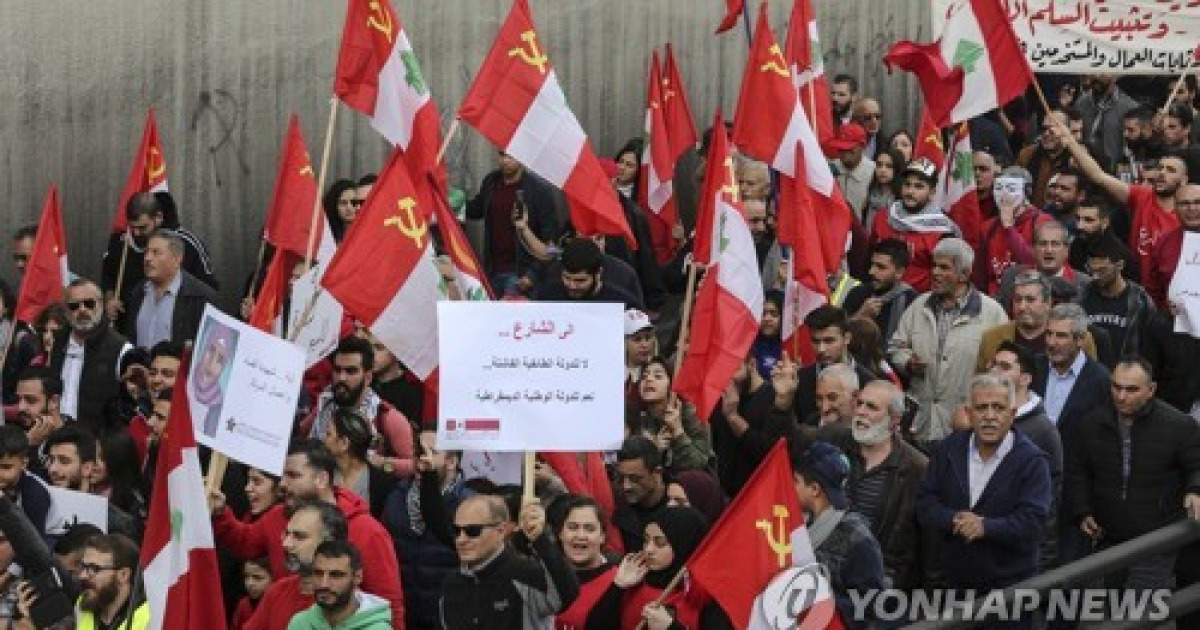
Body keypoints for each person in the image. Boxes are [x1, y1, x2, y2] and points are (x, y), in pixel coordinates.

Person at [209, 439, 406, 629]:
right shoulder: (278, 516)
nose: (283, 484)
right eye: (283, 476)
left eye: (293, 476)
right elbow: (246, 543)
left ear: (321, 479)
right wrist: (220, 513)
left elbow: (389, 607)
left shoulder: (368, 532)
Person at [1066, 359, 1200, 598]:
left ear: (1151, 390)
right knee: (1113, 606)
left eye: (1131, 389)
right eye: (1116, 387)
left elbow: (1196, 464)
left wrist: (1195, 490)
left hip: (1156, 539)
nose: (1121, 396)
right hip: (1110, 537)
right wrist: (1082, 510)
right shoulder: (1092, 423)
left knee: (1138, 609)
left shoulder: (1178, 426)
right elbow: (1078, 472)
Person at [916, 374, 1052, 592]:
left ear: (1012, 414)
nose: (990, 416)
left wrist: (986, 527)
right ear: (969, 414)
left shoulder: (1033, 461)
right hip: (953, 584)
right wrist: (955, 520)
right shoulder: (948, 450)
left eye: (998, 408)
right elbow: (925, 503)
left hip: (1010, 589)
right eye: (982, 408)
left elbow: (1033, 521)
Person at [889, 238, 1009, 449]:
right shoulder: (918, 306)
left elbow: (1004, 368)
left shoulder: (992, 314)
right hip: (919, 427)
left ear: (965, 273)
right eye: (934, 265)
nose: (935, 272)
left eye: (944, 267)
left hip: (965, 428)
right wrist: (907, 363)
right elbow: (895, 347)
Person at [1055, 121, 1187, 289]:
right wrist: (1070, 141)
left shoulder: (1189, 215)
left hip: (1172, 296)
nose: (1162, 173)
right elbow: (1098, 176)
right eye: (1161, 168)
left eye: (1171, 170)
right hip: (1138, 291)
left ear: (1184, 181)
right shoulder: (1142, 196)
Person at [435, 495, 580, 630]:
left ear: (501, 531)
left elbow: (567, 593)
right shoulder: (451, 584)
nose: (461, 539)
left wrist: (539, 538)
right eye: (456, 530)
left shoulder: (526, 574)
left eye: (473, 531)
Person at [383, 430, 472, 630]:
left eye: (431, 452)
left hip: (450, 617)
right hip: (406, 615)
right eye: (419, 451)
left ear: (451, 462)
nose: (422, 459)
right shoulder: (396, 496)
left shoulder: (469, 504)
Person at [791, 441, 887, 628]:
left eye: (796, 481)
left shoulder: (858, 538)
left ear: (814, 489)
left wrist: (818, 604)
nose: (790, 486)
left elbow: (870, 604)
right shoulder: (799, 525)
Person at [845, 380, 930, 590]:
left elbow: (924, 541)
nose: (861, 412)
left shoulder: (917, 468)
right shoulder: (838, 446)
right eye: (860, 404)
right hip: (833, 575)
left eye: (871, 407)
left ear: (894, 420)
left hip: (882, 586)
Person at [988, 341, 1064, 569]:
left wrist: (1042, 558)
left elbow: (1049, 500)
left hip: (1020, 552)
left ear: (1025, 379)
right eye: (992, 364)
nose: (994, 371)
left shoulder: (1042, 431)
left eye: (1004, 366)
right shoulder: (982, 420)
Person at [299, 336, 414, 479]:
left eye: (350, 371)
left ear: (368, 377)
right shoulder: (325, 404)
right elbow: (300, 435)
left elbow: (414, 464)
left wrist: (381, 463)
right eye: (337, 370)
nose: (341, 378)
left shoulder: (386, 416)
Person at [101, 192, 218, 325]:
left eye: (142, 227)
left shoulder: (188, 245)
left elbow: (208, 291)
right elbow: (108, 277)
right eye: (132, 227)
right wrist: (110, 301)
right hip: (130, 330)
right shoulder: (121, 241)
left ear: (158, 217)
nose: (136, 233)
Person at [613, 506, 732, 630]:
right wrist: (617, 587)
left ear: (684, 544)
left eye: (660, 543)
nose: (648, 549)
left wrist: (670, 627)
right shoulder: (633, 579)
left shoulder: (707, 597)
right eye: (646, 540)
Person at [465, 152, 563, 297]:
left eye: (511, 156)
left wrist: (533, 274)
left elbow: (552, 245)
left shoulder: (540, 190)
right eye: (502, 155)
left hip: (521, 274)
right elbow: (476, 210)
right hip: (492, 271)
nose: (505, 161)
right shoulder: (491, 181)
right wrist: (447, 199)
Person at [243, 500, 350, 630]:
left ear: (330, 543)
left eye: (299, 536)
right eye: (287, 534)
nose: (286, 544)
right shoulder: (276, 592)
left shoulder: (348, 602)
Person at [870, 158, 961, 292]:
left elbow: (947, 278)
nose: (910, 191)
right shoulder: (882, 217)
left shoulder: (943, 231)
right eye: (907, 185)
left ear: (932, 192)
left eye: (919, 186)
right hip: (878, 297)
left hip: (920, 303)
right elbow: (868, 259)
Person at [977, 271, 1096, 371]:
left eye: (1030, 300)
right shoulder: (991, 338)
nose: (1022, 307)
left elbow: (1089, 380)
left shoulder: (1081, 339)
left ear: (1048, 303)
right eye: (1018, 300)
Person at [121, 228, 220, 348]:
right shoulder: (137, 293)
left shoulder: (201, 298)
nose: (148, 258)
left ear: (177, 259)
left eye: (156, 252)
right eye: (146, 252)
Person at [973, 166, 1053, 294]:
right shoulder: (988, 227)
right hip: (996, 298)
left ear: (1026, 193)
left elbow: (1033, 263)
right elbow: (980, 275)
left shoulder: (1042, 221)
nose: (1004, 195)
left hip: (1030, 293)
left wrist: (1009, 227)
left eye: (1011, 189)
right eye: (998, 188)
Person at [793, 306, 876, 425]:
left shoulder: (869, 383)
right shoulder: (799, 380)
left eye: (829, 341)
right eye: (815, 341)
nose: (821, 349)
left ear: (847, 338)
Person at [1079, 235, 1155, 362]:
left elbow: (1150, 346)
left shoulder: (1140, 301)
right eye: (1091, 270)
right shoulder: (1083, 295)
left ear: (1119, 265)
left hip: (1125, 374)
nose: (1095, 277)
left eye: (1102, 271)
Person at [288, 540, 393, 630]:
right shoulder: (299, 624)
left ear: (357, 577)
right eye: (318, 573)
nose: (324, 584)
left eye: (336, 575)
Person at [552, 495, 622, 630]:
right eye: (573, 527)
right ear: (560, 533)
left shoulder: (618, 583)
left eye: (589, 529)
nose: (580, 535)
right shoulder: (544, 576)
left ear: (602, 536)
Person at [635, 358, 715, 472]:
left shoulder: (694, 413)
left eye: (658, 376)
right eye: (644, 376)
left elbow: (697, 465)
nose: (648, 379)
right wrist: (654, 450)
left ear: (672, 385)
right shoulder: (639, 419)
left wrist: (677, 430)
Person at [323, 409, 395, 519]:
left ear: (344, 443)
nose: (324, 439)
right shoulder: (323, 474)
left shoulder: (381, 482)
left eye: (328, 434)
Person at [841, 238, 917, 342]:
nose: (871, 271)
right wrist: (861, 315)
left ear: (899, 272)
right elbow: (838, 334)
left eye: (881, 267)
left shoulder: (913, 301)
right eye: (872, 265)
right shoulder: (857, 293)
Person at [535, 238, 644, 309]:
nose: (572, 286)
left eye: (580, 281)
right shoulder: (546, 297)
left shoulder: (625, 304)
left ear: (598, 273)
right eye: (567, 278)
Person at [74, 534, 149, 629]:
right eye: (83, 566)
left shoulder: (150, 618)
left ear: (123, 575)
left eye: (94, 568)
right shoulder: (84, 602)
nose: (82, 575)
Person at [1146, 183, 1200, 308]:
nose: (1192, 208)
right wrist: (1165, 308)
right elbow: (1154, 289)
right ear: (1175, 208)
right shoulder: (1163, 242)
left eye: (1198, 202)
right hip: (1177, 322)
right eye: (1184, 203)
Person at [612, 437, 669, 553]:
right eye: (621, 477)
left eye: (635, 479)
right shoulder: (617, 505)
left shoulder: (679, 504)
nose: (626, 486)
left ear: (657, 473)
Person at [1074, 74, 1140, 168]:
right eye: (1094, 71)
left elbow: (1133, 147)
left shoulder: (1129, 106)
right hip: (1085, 168)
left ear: (1116, 75)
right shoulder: (1081, 104)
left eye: (1102, 71)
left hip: (1115, 170)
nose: (1097, 76)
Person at [362, 330, 424, 428]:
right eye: (369, 347)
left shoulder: (411, 392)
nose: (371, 354)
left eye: (379, 348)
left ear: (396, 351)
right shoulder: (363, 381)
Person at [831, 123, 875, 220]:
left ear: (862, 146)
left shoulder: (874, 171)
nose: (844, 152)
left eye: (849, 148)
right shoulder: (830, 168)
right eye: (841, 148)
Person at [13, 367, 66, 449]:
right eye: (18, 399)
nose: (21, 407)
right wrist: (28, 444)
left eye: (30, 400)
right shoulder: (13, 435)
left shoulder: (76, 439)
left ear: (54, 401)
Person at [863, 149, 905, 232]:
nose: (883, 170)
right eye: (879, 165)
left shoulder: (902, 196)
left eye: (889, 166)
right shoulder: (870, 191)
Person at [232, 557, 273, 630]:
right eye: (246, 577)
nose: (250, 583)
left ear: (273, 579)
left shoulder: (278, 605)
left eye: (257, 578)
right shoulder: (244, 605)